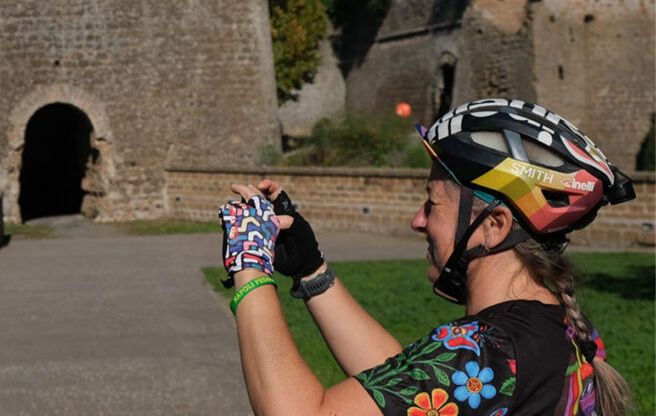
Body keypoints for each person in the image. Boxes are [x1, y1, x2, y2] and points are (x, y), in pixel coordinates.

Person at [218, 99, 637, 415]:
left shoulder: (487, 351)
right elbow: (406, 382)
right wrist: (313, 271)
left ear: (495, 226)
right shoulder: (546, 328)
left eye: (432, 204)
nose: (417, 220)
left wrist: (248, 262)